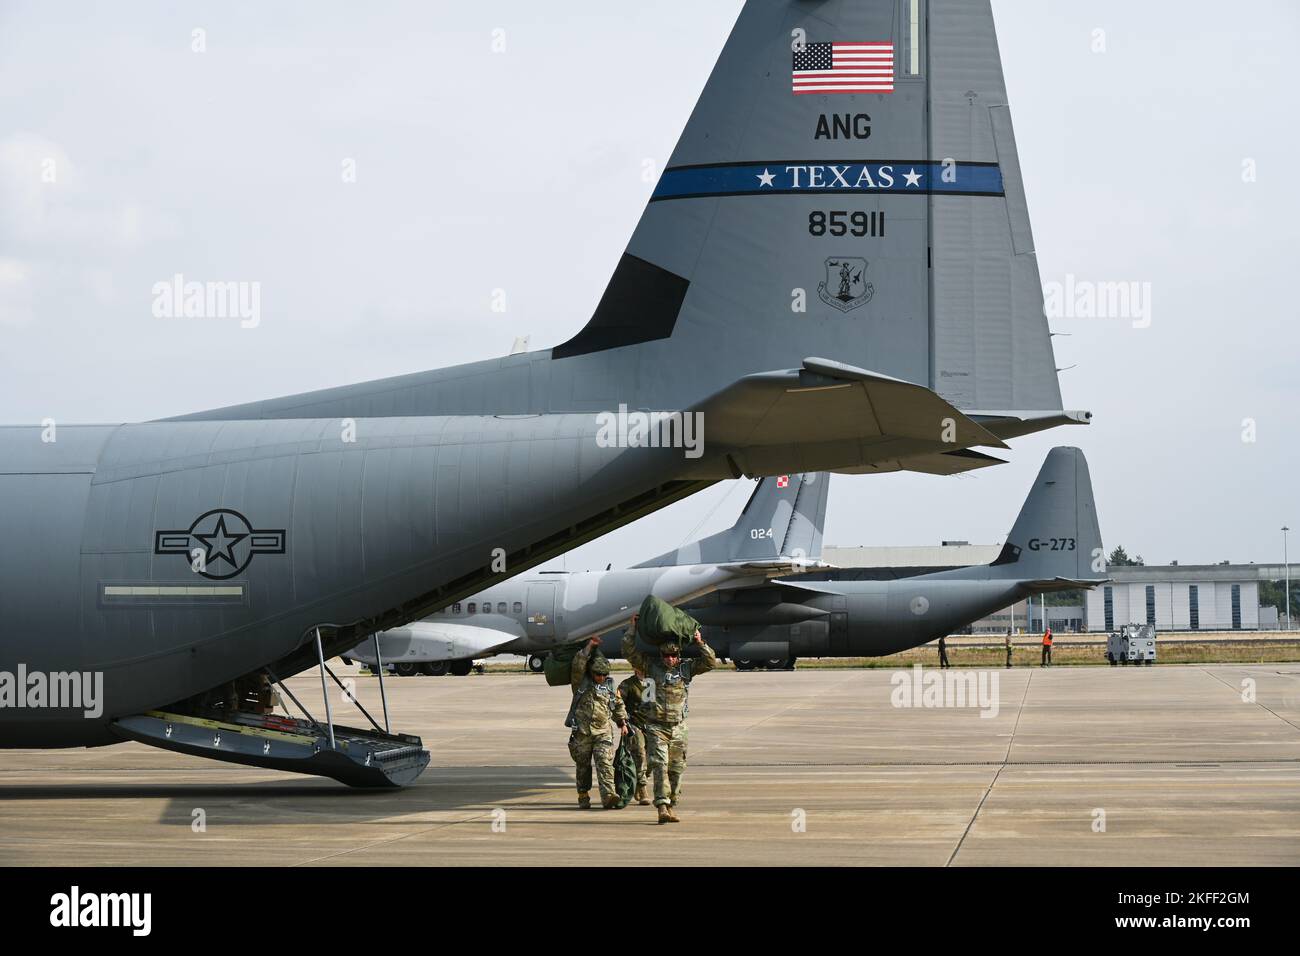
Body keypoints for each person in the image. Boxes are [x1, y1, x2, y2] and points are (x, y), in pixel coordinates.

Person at [621, 614, 717, 824]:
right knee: (659, 765)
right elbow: (628, 651)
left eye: (673, 655)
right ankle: (662, 807)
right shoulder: (651, 667)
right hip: (656, 727)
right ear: (661, 655)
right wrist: (632, 629)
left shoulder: (686, 669)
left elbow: (710, 662)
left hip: (679, 728)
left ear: (678, 655)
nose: (669, 659)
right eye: (666, 655)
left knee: (676, 769)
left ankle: (671, 803)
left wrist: (700, 642)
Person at [567, 638, 629, 809]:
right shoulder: (581, 682)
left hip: (603, 731)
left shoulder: (610, 685)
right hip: (582, 732)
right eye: (598, 674)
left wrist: (622, 722)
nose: (601, 677)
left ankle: (608, 796)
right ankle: (583, 794)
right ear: (591, 672)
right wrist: (589, 647)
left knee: (604, 762)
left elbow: (617, 705)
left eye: (604, 674)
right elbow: (578, 664)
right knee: (583, 767)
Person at [617, 666, 652, 805]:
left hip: (652, 726)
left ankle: (638, 783)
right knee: (639, 755)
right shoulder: (627, 684)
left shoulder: (652, 683)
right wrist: (622, 722)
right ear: (633, 667)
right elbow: (617, 702)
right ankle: (643, 789)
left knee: (653, 759)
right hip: (634, 725)